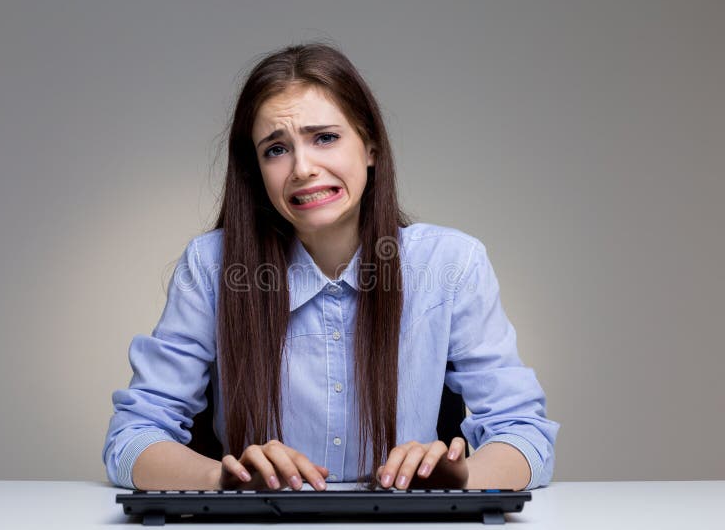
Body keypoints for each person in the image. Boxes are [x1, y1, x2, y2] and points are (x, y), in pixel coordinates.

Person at [102, 41, 559, 493]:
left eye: (325, 138)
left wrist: (464, 478)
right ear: (256, 170)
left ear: (370, 146)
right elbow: (132, 438)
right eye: (276, 149)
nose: (302, 168)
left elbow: (525, 433)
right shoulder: (210, 266)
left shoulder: (451, 264)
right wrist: (224, 479)